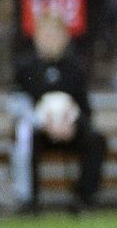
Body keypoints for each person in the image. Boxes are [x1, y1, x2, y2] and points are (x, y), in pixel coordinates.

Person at [14, 14, 106, 214]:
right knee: (24, 137)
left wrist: (71, 125)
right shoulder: (26, 67)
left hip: (68, 128)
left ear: (65, 38)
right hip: (39, 129)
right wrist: (44, 123)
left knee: (96, 140)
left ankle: (84, 199)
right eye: (45, 35)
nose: (50, 41)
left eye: (54, 35)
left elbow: (85, 108)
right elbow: (18, 105)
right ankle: (28, 200)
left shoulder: (74, 67)